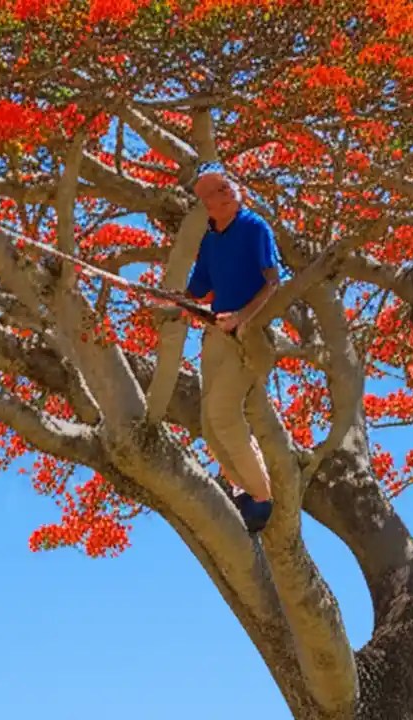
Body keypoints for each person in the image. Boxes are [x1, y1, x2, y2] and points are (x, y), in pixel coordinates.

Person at [157, 164, 280, 533]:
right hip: (215, 335)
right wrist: (173, 303)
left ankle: (262, 499)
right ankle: (243, 493)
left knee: (223, 412)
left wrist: (241, 317)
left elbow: (273, 282)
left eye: (226, 187)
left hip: (248, 336)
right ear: (206, 204)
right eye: (214, 192)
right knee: (210, 425)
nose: (224, 194)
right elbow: (198, 291)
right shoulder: (210, 242)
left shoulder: (254, 228)